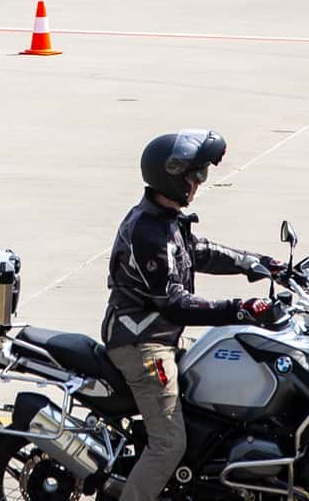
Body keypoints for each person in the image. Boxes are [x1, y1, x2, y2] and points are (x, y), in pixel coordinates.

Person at [102, 129, 286, 501]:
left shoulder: (166, 219)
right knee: (168, 444)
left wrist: (262, 264)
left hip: (161, 335)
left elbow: (201, 252)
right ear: (172, 175)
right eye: (196, 175)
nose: (200, 183)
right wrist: (239, 309)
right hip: (142, 344)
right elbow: (173, 302)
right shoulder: (148, 232)